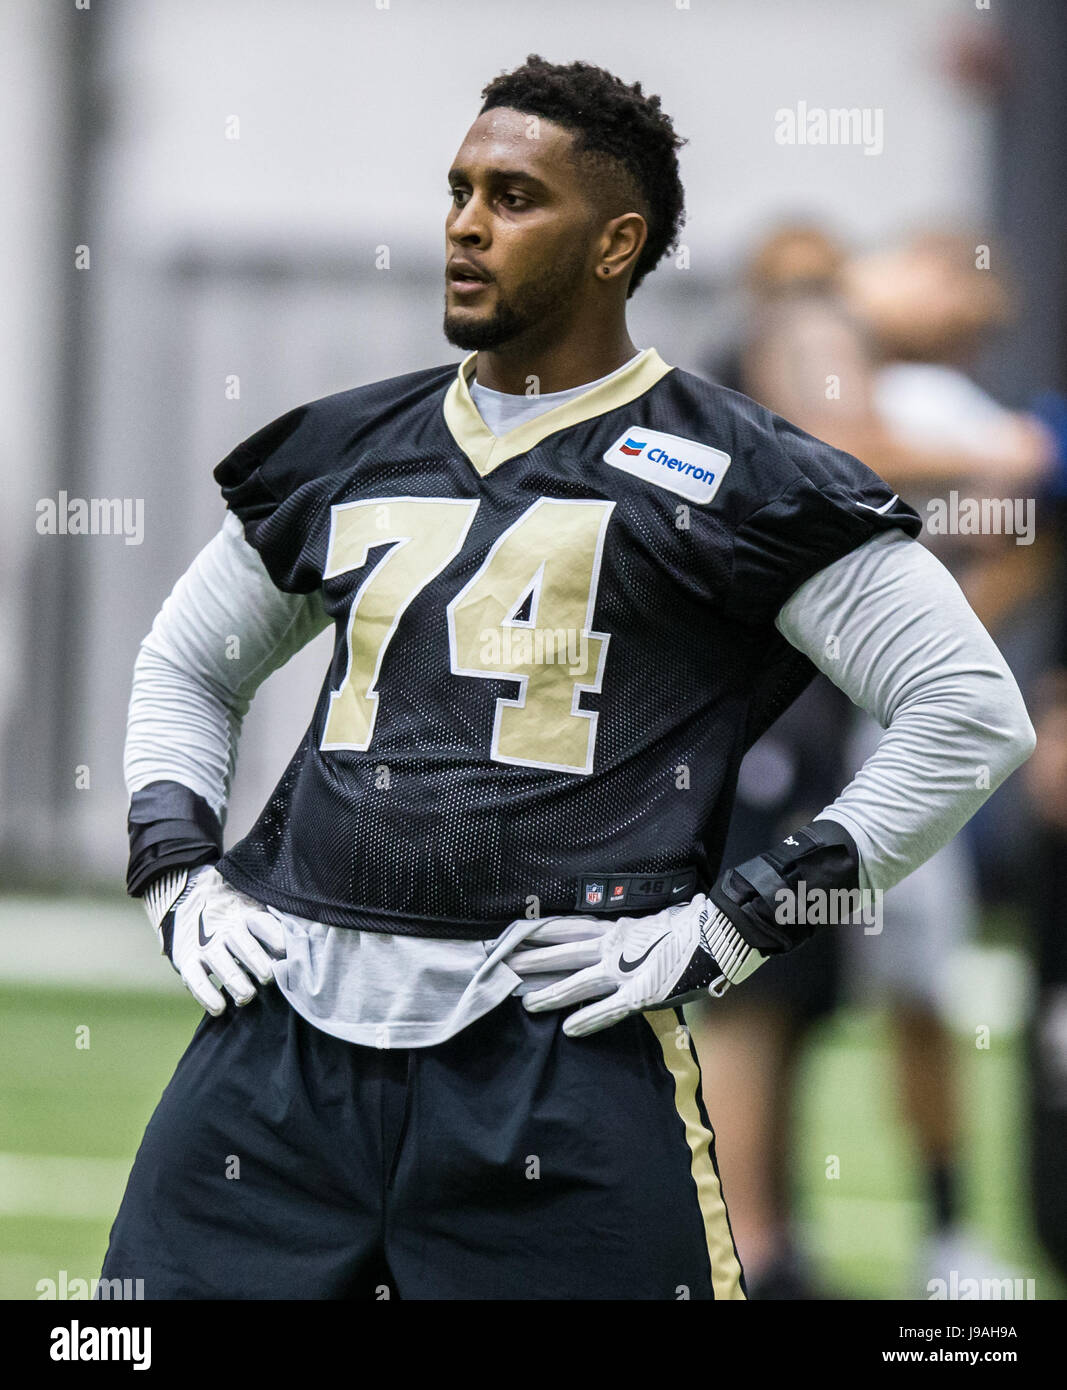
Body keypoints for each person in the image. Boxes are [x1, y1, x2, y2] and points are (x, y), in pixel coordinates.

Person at [100, 57, 1035, 1300]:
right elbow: (185, 663)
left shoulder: (737, 472)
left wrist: (729, 925)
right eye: (457, 190)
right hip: (281, 1054)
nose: (466, 224)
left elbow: (967, 713)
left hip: (556, 1059)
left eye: (513, 195)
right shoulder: (347, 445)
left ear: (617, 243)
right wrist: (174, 864)